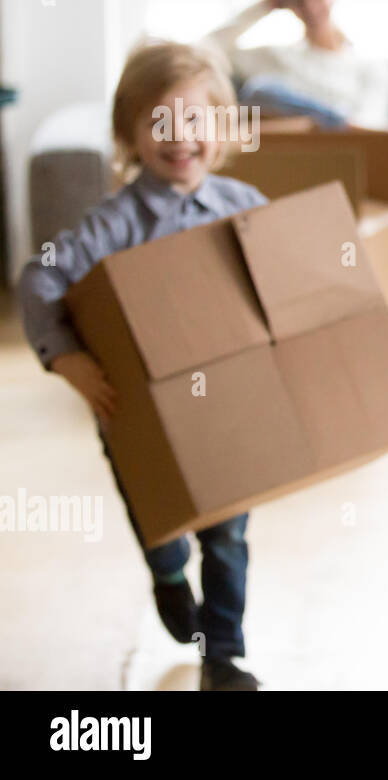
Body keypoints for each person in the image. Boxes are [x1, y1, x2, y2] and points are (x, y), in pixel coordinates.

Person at [17, 41, 268, 691]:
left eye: (195, 120)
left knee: (228, 538)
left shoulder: (246, 208)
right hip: (138, 423)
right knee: (163, 527)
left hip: (228, 420)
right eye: (159, 122)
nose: (180, 138)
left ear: (222, 127)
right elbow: (40, 278)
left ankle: (223, 655)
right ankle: (163, 571)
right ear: (128, 132)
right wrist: (65, 357)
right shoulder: (114, 224)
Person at [202, 0, 388, 162]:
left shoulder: (372, 67)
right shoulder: (278, 57)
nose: (309, 6)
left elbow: (371, 126)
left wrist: (317, 125)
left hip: (352, 150)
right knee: (261, 89)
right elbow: (207, 48)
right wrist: (264, 6)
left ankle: (344, 122)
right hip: (298, 152)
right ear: (288, 6)